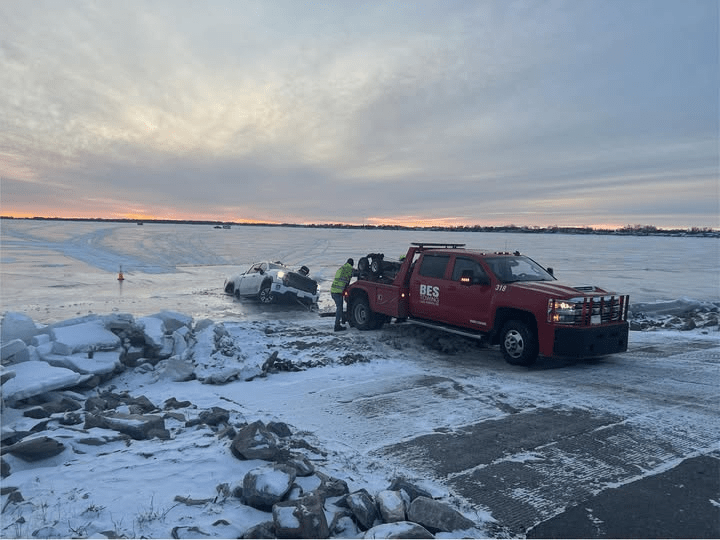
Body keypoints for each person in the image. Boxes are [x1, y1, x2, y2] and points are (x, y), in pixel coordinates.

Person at [330, 258, 354, 331]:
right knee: (339, 308)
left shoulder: (342, 268)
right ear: (352, 264)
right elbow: (349, 280)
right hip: (338, 292)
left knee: (340, 307)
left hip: (333, 291)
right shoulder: (350, 269)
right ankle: (337, 326)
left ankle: (343, 319)